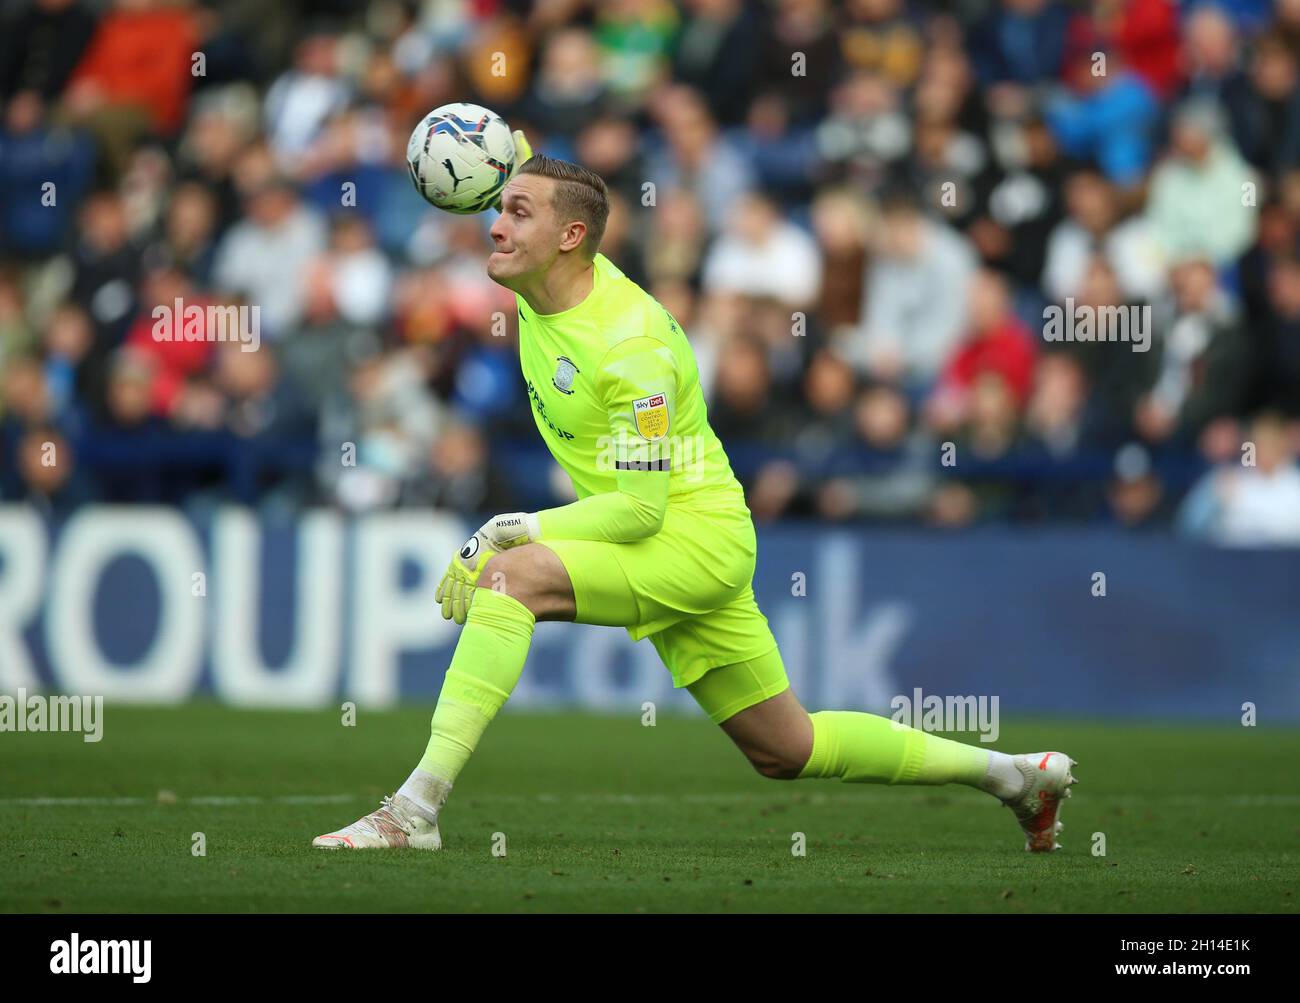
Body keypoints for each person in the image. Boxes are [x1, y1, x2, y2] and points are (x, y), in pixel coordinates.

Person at [313, 154, 1077, 854]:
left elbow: (640, 511)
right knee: (788, 747)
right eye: (498, 206)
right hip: (671, 536)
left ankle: (414, 810)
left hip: (689, 540)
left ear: (571, 235)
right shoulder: (549, 275)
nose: (495, 222)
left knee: (515, 577)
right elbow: (528, 166)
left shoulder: (632, 350)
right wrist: (498, 153)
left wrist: (510, 528)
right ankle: (1014, 776)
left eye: (517, 211)